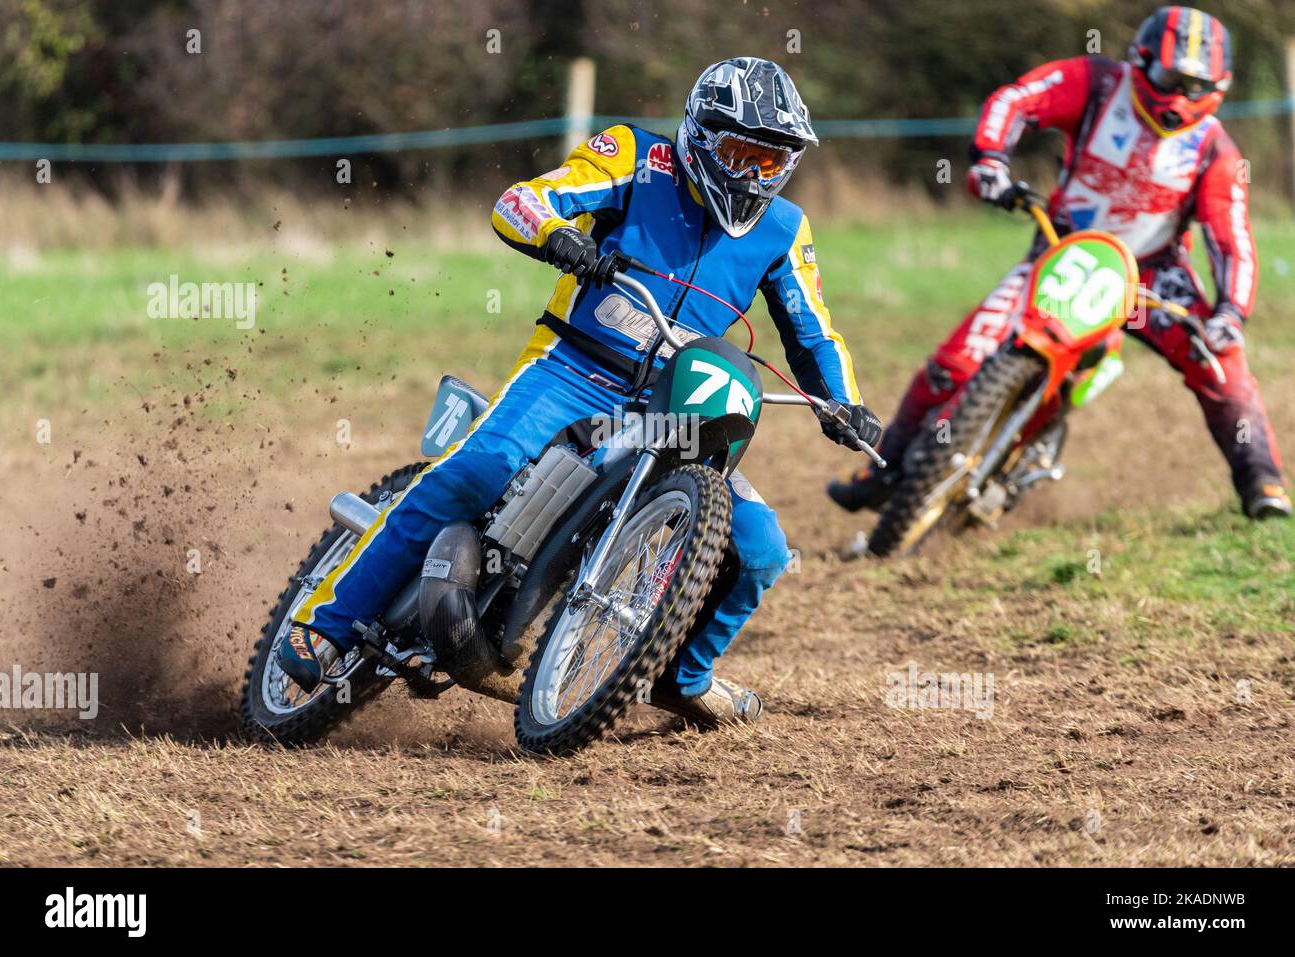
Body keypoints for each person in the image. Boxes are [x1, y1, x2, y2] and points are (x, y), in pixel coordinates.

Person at [282, 57, 882, 725]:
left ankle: (682, 677)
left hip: (678, 407)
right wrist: (561, 239)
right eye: (742, 153)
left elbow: (812, 332)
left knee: (763, 549)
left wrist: (846, 404)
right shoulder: (635, 154)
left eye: (772, 162)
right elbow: (522, 201)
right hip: (573, 368)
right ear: (703, 136)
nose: (753, 175)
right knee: (476, 471)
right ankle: (328, 624)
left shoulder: (785, 229)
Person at [828, 5, 1290, 521]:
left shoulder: (1216, 152)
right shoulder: (1094, 84)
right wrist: (990, 161)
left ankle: (1263, 484)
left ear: (1219, 87)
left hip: (1150, 277)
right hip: (1062, 249)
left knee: (1221, 363)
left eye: (1194, 85)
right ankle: (883, 469)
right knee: (952, 364)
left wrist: (1231, 312)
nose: (1178, 96)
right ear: (1139, 62)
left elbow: (1231, 241)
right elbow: (1015, 100)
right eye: (1168, 77)